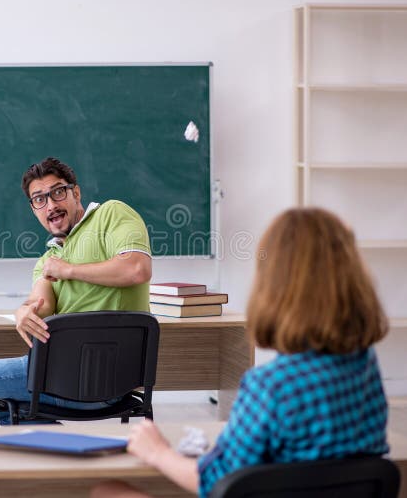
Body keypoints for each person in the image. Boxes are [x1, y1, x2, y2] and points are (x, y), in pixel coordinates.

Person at [92, 207, 390, 498]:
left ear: (274, 286)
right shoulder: (364, 364)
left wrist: (158, 452)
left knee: (107, 490)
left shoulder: (271, 387)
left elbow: (215, 482)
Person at [0, 157, 152, 423]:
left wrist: (69, 270)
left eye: (58, 192)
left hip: (104, 376)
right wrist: (24, 312)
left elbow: (136, 269)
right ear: (34, 209)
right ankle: (55, 452)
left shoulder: (111, 214)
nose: (51, 205)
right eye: (40, 199)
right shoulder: (48, 259)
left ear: (76, 192)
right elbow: (41, 304)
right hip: (68, 379)